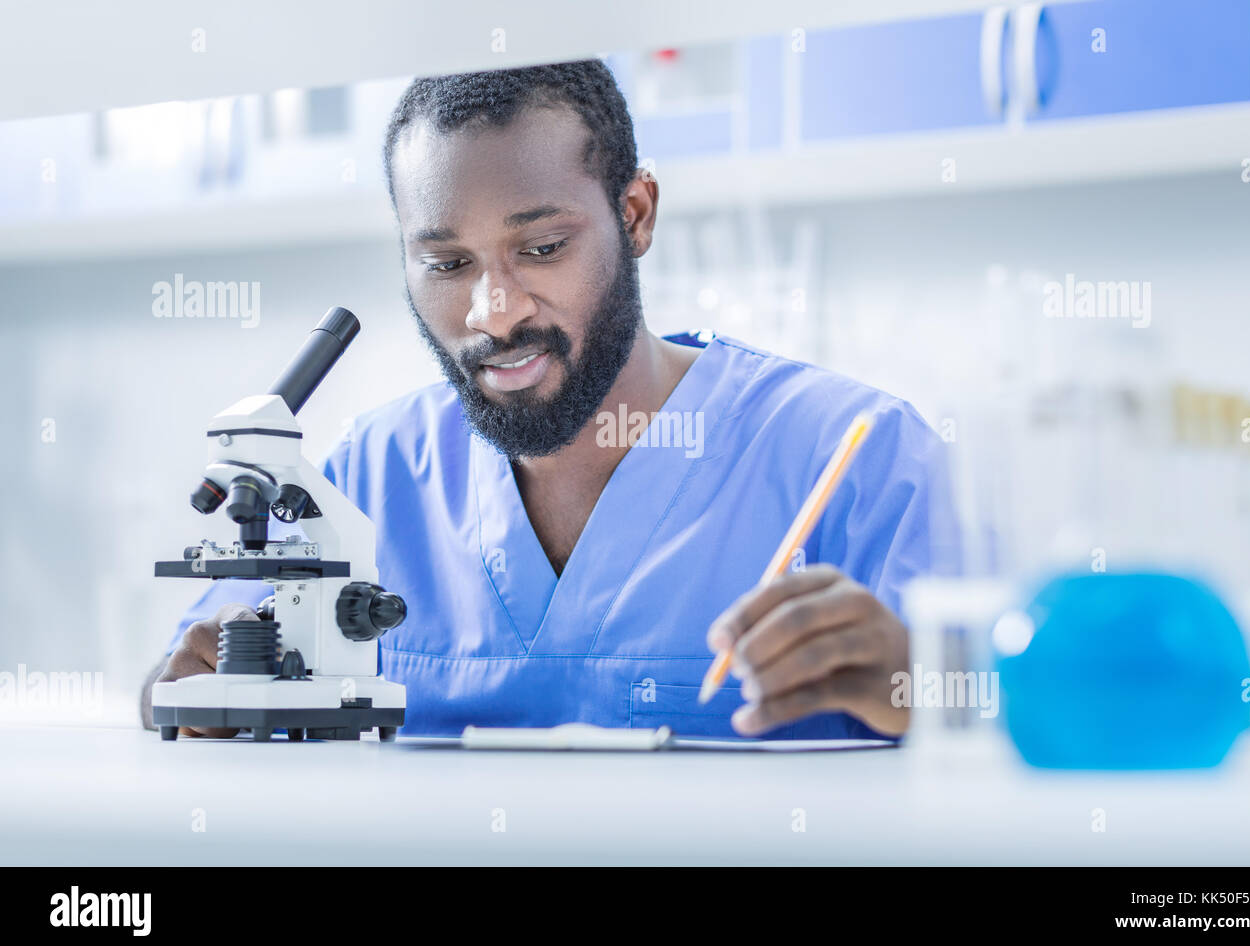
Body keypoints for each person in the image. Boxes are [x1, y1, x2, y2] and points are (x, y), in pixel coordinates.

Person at [141, 60, 957, 741]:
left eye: (540, 249)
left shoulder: (860, 457)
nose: (494, 313)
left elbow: (1033, 720)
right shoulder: (366, 477)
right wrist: (185, 693)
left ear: (634, 215)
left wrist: (924, 687)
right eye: (448, 264)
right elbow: (179, 679)